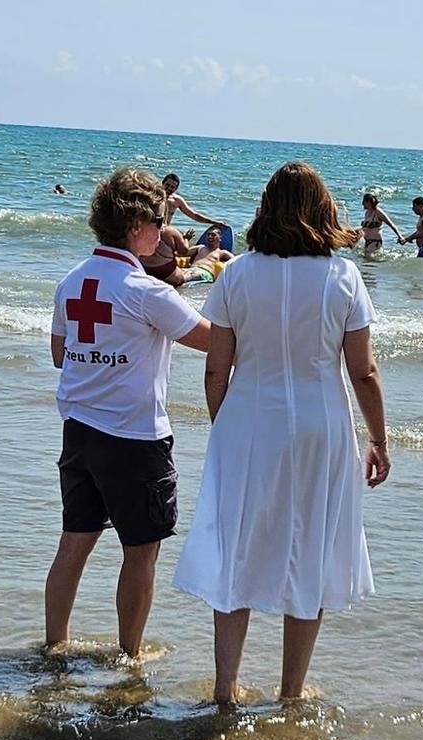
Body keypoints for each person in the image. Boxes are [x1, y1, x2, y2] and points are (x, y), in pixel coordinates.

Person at [173, 161, 388, 707]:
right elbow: (362, 371)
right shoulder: (343, 276)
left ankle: (226, 687)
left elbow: (216, 368)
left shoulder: (238, 273)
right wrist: (379, 439)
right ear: (325, 210)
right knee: (308, 544)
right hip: (322, 424)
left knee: (238, 545)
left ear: (265, 208)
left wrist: (225, 426)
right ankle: (291, 690)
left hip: (248, 418)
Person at [43, 167, 213, 658]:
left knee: (74, 542)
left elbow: (61, 354)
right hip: (135, 437)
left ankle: (56, 645)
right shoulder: (146, 291)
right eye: (157, 222)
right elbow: (212, 342)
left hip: (78, 432)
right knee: (141, 551)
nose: (162, 233)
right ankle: (130, 655)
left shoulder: (71, 282)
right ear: (136, 225)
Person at [160, 173, 225, 229]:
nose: (169, 188)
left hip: (165, 230)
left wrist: (214, 222)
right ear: (163, 183)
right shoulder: (153, 197)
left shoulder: (177, 200)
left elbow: (194, 215)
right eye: (167, 185)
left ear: (176, 189)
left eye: (172, 187)